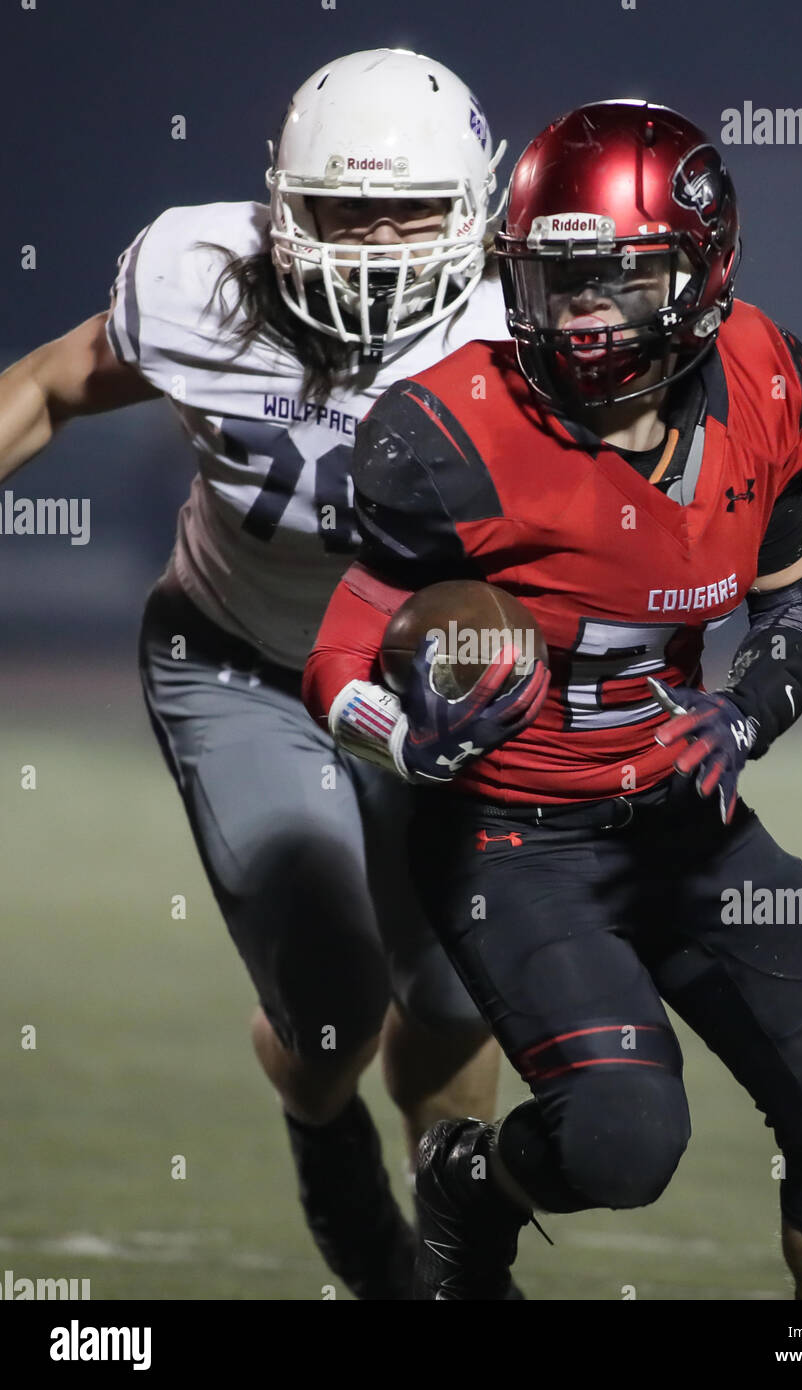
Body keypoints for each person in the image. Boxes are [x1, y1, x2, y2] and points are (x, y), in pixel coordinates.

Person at [303, 99, 802, 1300]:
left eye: (612, 279)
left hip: (684, 814)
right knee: (625, 1142)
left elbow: (793, 599)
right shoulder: (453, 435)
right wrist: (402, 736)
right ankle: (474, 1190)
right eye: (552, 278)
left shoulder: (766, 381)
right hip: (516, 834)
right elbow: (337, 656)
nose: (577, 312)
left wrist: (745, 713)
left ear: (700, 267)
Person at [0, 48, 512, 1300]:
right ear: (281, 206)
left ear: (480, 214)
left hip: (422, 691)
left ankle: (460, 1266)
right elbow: (58, 381)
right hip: (244, 664)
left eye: (415, 211)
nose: (382, 246)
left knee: (455, 992)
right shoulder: (200, 284)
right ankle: (323, 1134)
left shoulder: (528, 325)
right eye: (347, 210)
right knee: (335, 1001)